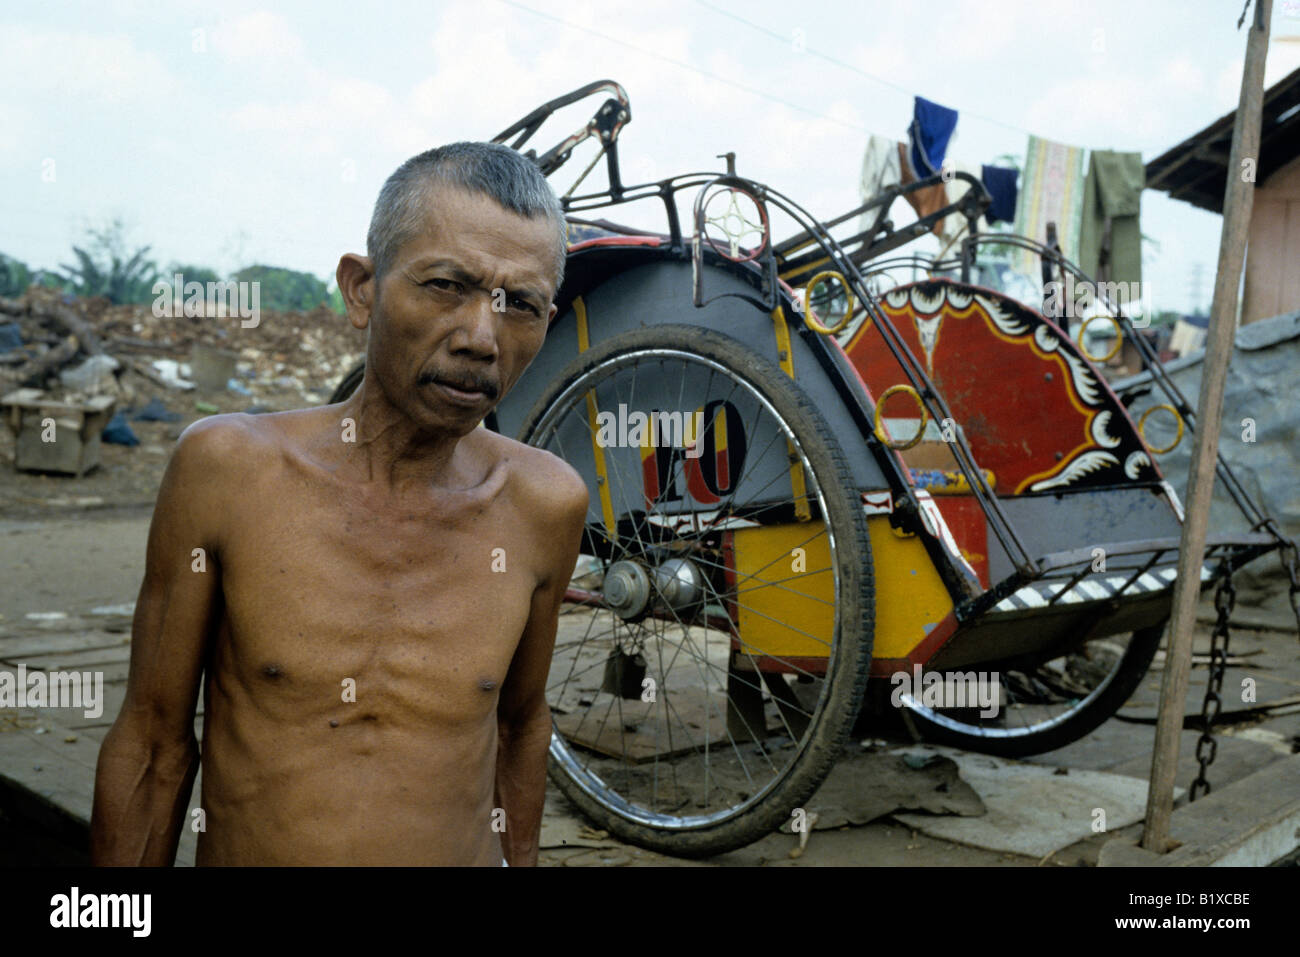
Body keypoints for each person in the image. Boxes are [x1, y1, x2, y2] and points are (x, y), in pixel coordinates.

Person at [90, 142, 588, 866]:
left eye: (521, 304)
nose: (484, 337)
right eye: (447, 284)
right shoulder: (229, 471)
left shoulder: (546, 504)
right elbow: (153, 740)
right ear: (362, 289)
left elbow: (520, 725)